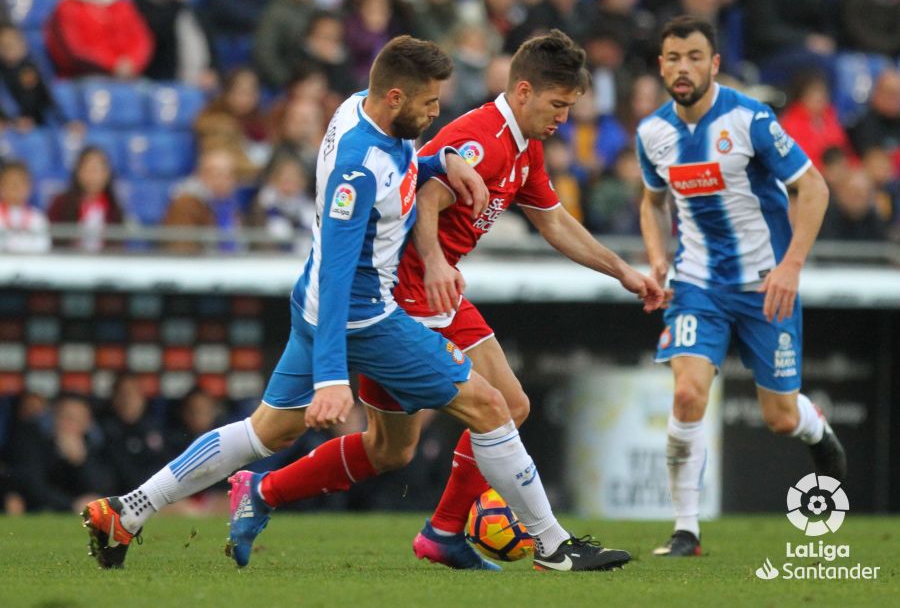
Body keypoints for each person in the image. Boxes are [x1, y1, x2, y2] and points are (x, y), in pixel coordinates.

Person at [81, 36, 623, 575]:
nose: (437, 114)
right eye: (430, 103)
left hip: (313, 303)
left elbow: (403, 169)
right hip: (365, 316)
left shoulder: (362, 112)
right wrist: (331, 378)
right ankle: (552, 546)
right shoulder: (357, 171)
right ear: (395, 97)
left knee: (266, 432)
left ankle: (127, 510)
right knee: (492, 407)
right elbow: (339, 272)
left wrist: (442, 161)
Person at [225, 30, 663, 571]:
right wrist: (434, 260)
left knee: (399, 446)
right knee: (469, 419)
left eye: (569, 107)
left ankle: (429, 527)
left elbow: (552, 221)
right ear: (523, 91)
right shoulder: (483, 137)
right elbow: (427, 194)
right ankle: (497, 536)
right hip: (407, 293)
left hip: (440, 292)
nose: (564, 118)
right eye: (557, 105)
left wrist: (623, 271)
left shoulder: (525, 146)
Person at [637, 16, 847, 558]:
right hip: (696, 285)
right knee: (687, 394)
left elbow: (814, 187)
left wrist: (791, 265)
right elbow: (652, 201)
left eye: (694, 57)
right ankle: (686, 530)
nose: (683, 68)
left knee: (780, 417)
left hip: (765, 285)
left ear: (714, 63)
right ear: (661, 66)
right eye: (673, 58)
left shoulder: (749, 119)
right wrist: (658, 257)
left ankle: (815, 428)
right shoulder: (652, 133)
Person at [44, 0, 154, 78]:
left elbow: (142, 39)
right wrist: (112, 65)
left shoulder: (121, 4)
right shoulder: (66, 7)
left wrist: (132, 63)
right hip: (84, 76)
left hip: (127, 74)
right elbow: (76, 49)